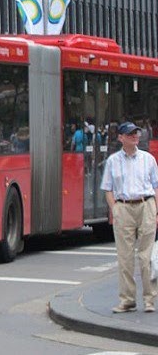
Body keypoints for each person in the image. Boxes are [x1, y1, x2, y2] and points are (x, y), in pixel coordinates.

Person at [100, 121, 158, 313]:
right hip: (124, 207)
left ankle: (149, 299)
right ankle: (127, 300)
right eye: (130, 134)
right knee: (125, 257)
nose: (135, 136)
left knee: (146, 257)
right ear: (121, 138)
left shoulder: (148, 159)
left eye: (136, 133)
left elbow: (156, 186)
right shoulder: (113, 161)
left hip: (146, 204)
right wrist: (115, 208)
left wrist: (156, 210)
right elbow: (107, 188)